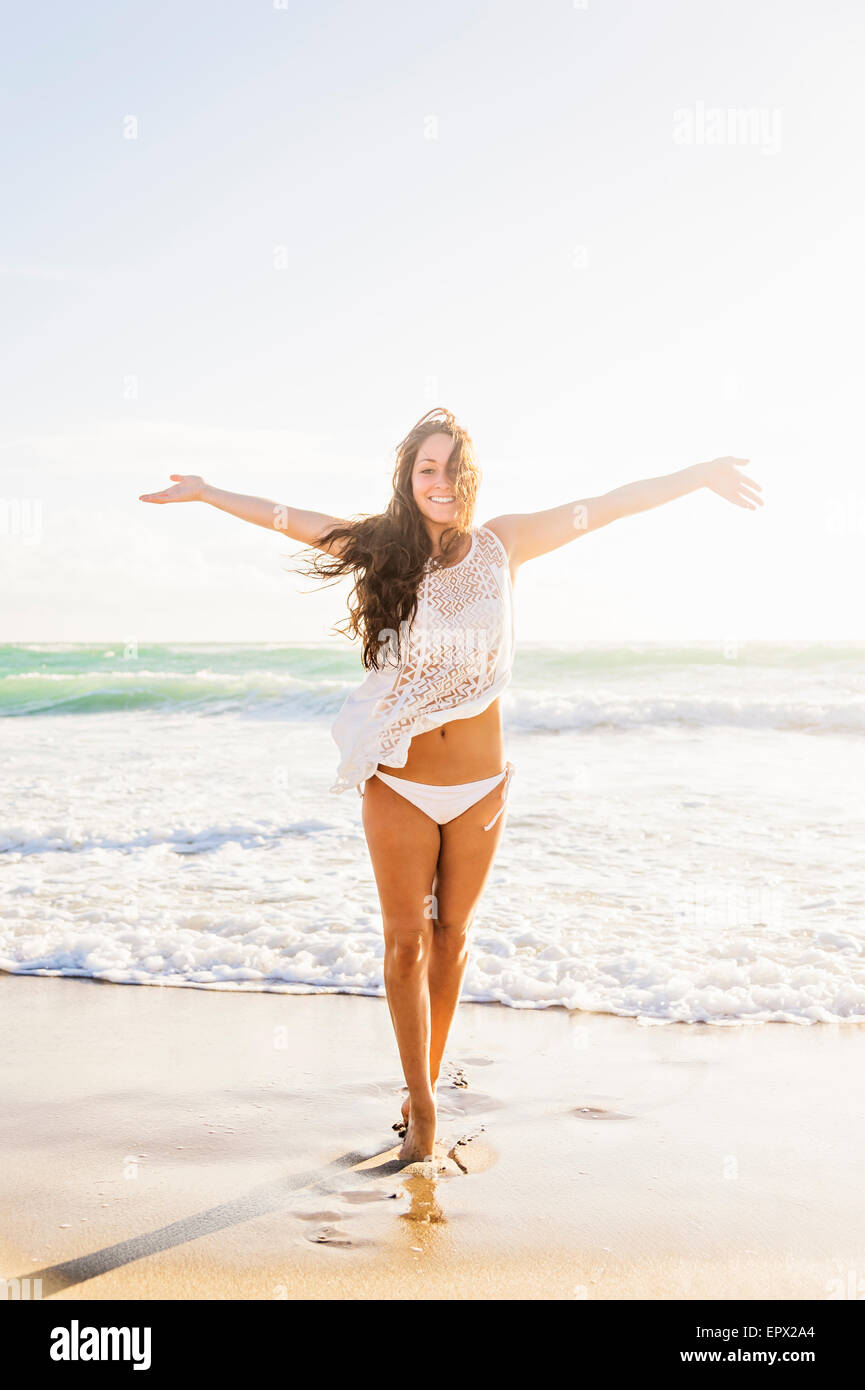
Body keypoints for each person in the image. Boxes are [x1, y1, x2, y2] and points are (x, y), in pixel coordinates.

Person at [140, 407, 762, 1162]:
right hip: (400, 781)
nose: (438, 481)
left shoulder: (505, 544)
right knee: (404, 942)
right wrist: (210, 493)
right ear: (408, 478)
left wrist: (695, 476)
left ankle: (421, 1080)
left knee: (452, 937)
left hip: (480, 789)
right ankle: (425, 1109)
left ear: (468, 478)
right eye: (424, 468)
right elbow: (287, 519)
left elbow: (606, 506)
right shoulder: (382, 549)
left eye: (450, 469)